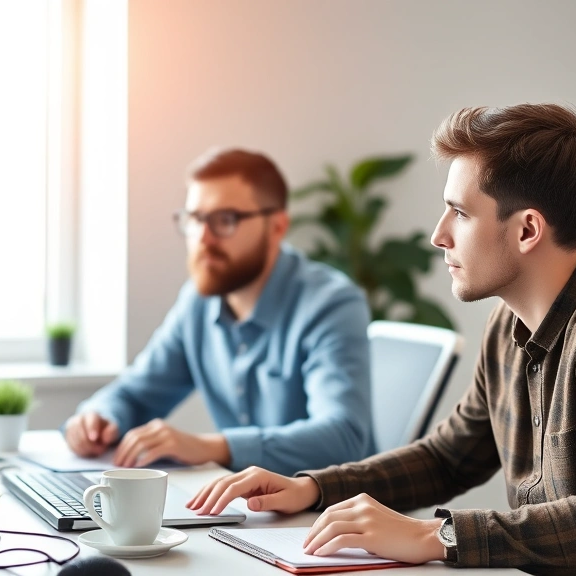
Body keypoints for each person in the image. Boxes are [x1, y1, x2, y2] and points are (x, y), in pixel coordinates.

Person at [187, 104, 576, 575]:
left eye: (461, 213)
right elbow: (449, 458)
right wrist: (312, 487)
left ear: (527, 230)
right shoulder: (509, 324)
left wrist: (436, 536)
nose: (438, 234)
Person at [64, 148, 374, 476]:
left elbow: (343, 437)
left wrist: (211, 447)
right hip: (244, 509)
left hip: (324, 513)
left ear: (277, 227)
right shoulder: (198, 303)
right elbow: (135, 393)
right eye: (194, 219)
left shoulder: (331, 304)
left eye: (225, 220)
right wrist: (99, 417)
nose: (203, 238)